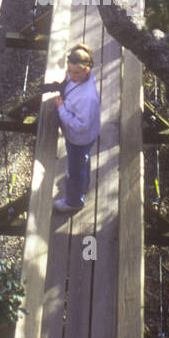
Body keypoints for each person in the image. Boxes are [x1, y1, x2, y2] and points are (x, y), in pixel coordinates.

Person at [51, 44, 100, 213]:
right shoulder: (77, 78)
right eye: (69, 71)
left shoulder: (88, 97)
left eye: (76, 73)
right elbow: (68, 81)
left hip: (80, 138)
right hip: (81, 138)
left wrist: (61, 108)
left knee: (75, 171)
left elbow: (81, 125)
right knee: (81, 160)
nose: (71, 75)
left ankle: (74, 201)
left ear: (86, 70)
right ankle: (84, 185)